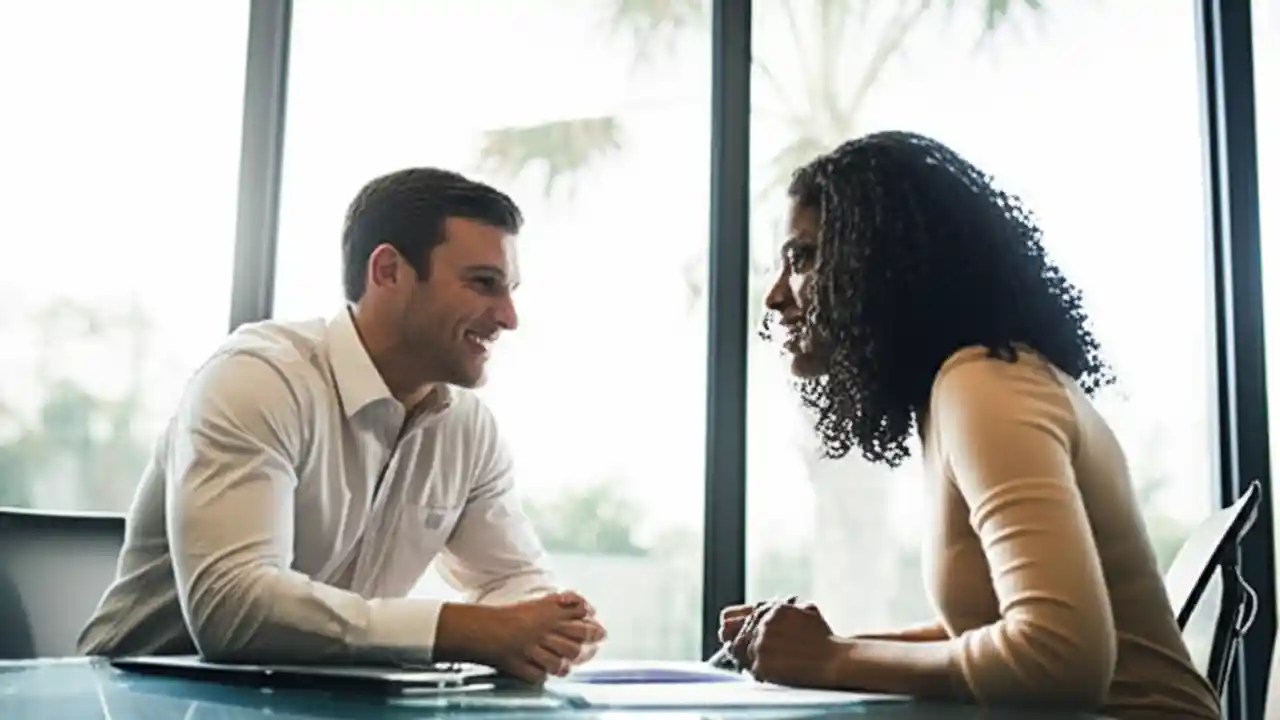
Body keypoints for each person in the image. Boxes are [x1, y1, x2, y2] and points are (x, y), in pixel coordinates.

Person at [717, 131, 1220, 718]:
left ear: (877, 265)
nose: (776, 296)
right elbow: (991, 630)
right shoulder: (969, 385)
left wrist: (829, 660)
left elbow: (1059, 655)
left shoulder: (986, 384)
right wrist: (816, 647)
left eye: (801, 257)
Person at [78, 168, 605, 683]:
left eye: (509, 289)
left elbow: (513, 580)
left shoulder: (467, 429)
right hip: (134, 698)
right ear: (389, 272)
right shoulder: (259, 379)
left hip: (310, 702)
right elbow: (232, 609)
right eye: (483, 284)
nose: (509, 316)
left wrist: (549, 625)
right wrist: (465, 630)